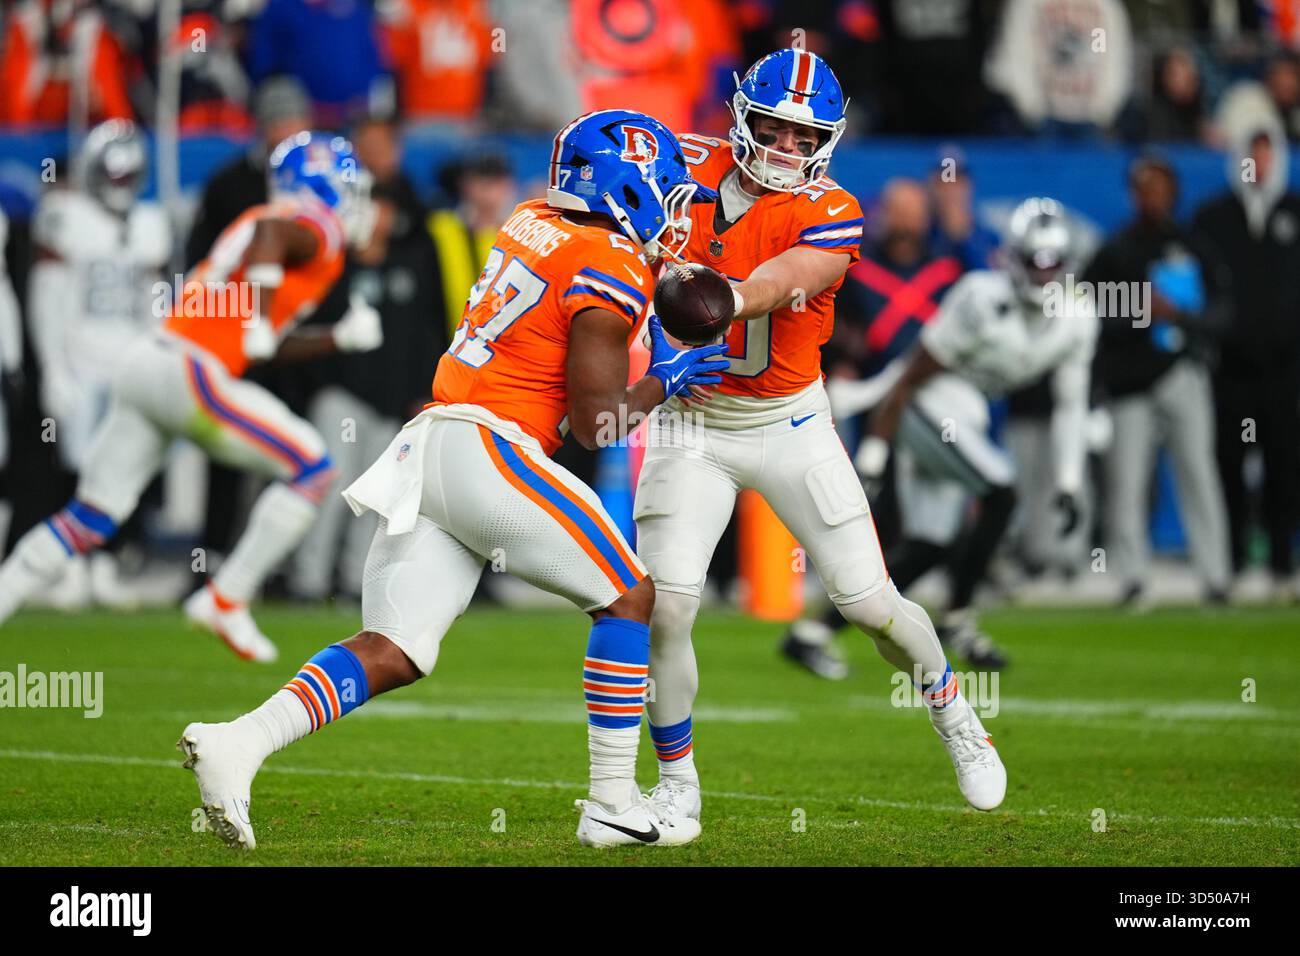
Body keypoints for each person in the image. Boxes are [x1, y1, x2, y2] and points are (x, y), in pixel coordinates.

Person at [178, 110, 729, 851]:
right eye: (661, 186)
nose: (670, 203)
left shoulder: (531, 219)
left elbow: (561, 385)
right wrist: (662, 376)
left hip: (433, 445)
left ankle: (238, 742)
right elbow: (597, 427)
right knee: (629, 594)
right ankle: (611, 802)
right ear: (625, 185)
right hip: (488, 451)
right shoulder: (610, 259)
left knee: (396, 647)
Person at [635, 50, 1007, 840]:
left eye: (803, 137)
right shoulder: (679, 168)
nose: (784, 148)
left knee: (870, 607)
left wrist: (721, 297)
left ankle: (954, 715)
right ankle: (676, 786)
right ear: (742, 116)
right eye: (773, 126)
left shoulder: (831, 208)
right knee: (664, 610)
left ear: (826, 142)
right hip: (691, 423)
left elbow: (788, 277)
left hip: (788, 423)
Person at [0, 132, 384, 660]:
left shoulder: (277, 227)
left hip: (150, 362)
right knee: (313, 467)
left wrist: (334, 337)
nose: (356, 198)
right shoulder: (307, 226)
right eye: (346, 184)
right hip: (189, 373)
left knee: (92, 514)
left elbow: (258, 339)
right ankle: (227, 597)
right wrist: (265, 315)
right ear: (320, 182)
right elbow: (272, 238)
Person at [27, 120, 171, 609]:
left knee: (122, 466)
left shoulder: (150, 222)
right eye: (111, 178)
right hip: (80, 359)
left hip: (129, 362)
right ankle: (68, 564)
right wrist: (52, 367)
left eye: (126, 179)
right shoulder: (66, 215)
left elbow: (155, 302)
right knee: (73, 467)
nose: (119, 189)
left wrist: (157, 357)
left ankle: (106, 561)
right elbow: (48, 297)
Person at [1086, 153, 1231, 606]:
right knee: (1126, 483)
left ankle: (1215, 577)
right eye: (1145, 189)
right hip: (1130, 382)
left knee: (1200, 475)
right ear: (1134, 194)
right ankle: (1131, 579)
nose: (1153, 198)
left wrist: (1182, 319)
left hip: (1183, 373)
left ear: (1172, 193)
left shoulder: (1193, 244)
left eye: (1161, 189)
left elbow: (1223, 310)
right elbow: (1088, 314)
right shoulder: (1115, 251)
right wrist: (1139, 314)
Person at [1194, 110, 1300, 598]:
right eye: (1251, 152)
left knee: (1284, 463)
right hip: (1232, 370)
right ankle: (1233, 559)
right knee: (1230, 464)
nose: (1259, 161)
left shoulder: (1294, 213)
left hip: (1285, 369)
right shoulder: (1213, 219)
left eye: (1267, 151)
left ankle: (1282, 562)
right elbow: (1198, 292)